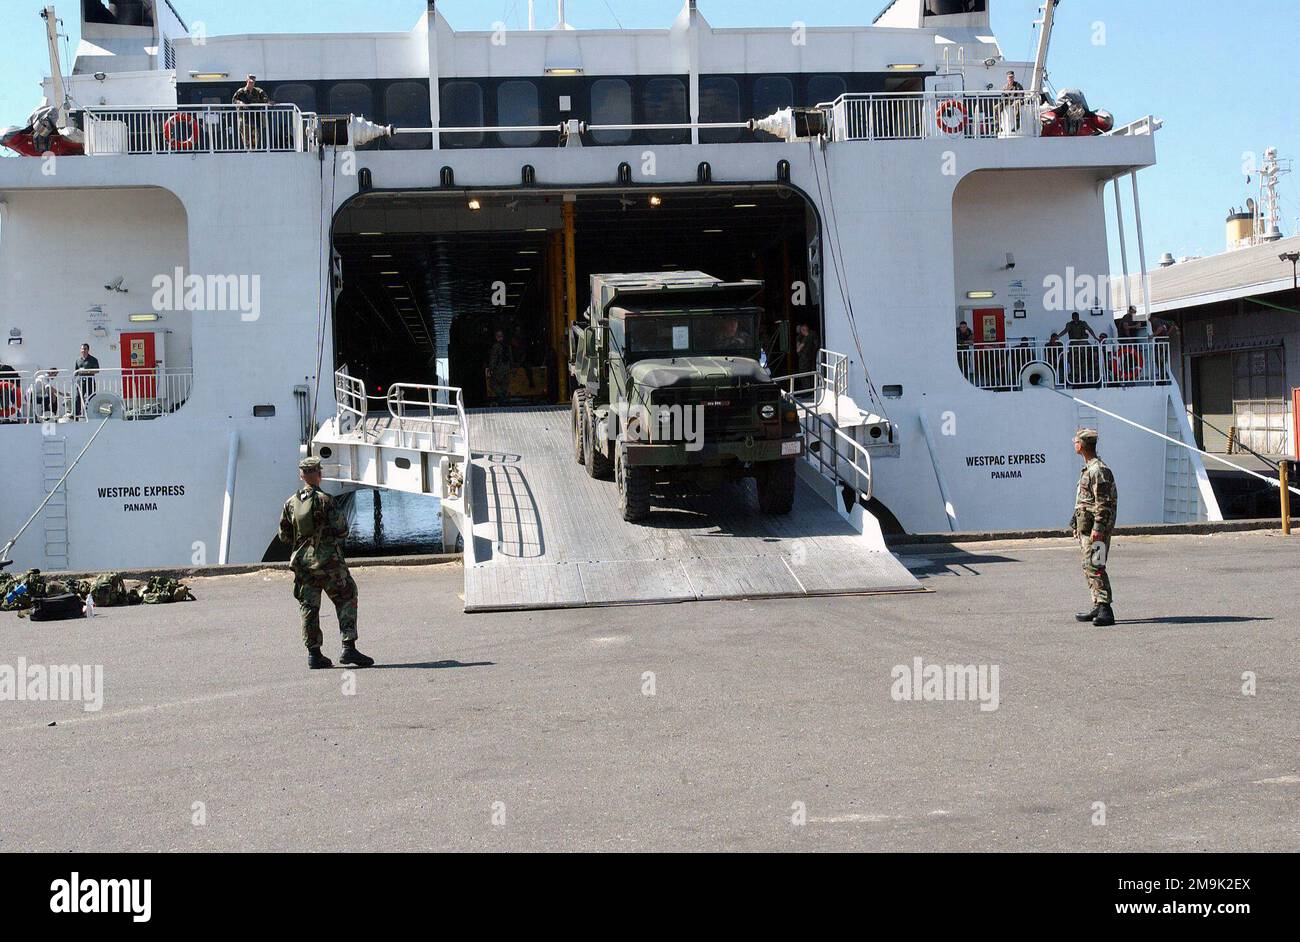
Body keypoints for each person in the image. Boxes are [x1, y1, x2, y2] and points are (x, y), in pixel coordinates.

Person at [278, 456, 373, 670]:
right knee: (346, 596)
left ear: (301, 475)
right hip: (329, 562)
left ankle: (314, 653)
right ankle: (348, 647)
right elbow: (343, 530)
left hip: (303, 563)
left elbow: (284, 536)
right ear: (319, 474)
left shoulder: (290, 503)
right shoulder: (327, 500)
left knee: (309, 606)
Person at [1068, 428, 1118, 627]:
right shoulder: (1089, 468)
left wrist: (1098, 528)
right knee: (1088, 565)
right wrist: (1076, 522)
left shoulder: (1098, 470)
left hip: (1097, 529)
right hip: (1087, 528)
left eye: (1075, 441)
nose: (1074, 444)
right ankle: (1098, 604)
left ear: (1081, 445)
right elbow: (1085, 500)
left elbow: (1104, 502)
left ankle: (1106, 608)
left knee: (1096, 565)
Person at [232, 75, 270, 150]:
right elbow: (234, 100)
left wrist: (268, 101)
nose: (251, 84)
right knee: (245, 135)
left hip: (255, 117)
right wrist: (240, 103)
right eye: (250, 82)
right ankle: (247, 149)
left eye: (253, 82)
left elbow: (265, 98)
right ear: (247, 81)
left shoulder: (258, 91)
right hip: (244, 117)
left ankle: (253, 149)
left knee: (255, 135)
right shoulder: (241, 91)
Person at [485, 328, 513, 405]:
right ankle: (504, 399)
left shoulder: (496, 346)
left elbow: (493, 359)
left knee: (492, 384)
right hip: (507, 369)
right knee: (504, 385)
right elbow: (511, 358)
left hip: (498, 369)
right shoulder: (507, 346)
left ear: (496, 337)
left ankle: (502, 398)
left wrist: (491, 369)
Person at [74, 342, 100, 417]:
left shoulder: (93, 359)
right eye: (82, 349)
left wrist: (87, 371)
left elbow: (97, 370)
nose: (83, 350)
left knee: (91, 397)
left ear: (88, 350)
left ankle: (91, 413)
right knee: (78, 397)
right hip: (80, 382)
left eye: (85, 349)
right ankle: (76, 414)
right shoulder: (78, 360)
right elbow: (76, 371)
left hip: (90, 382)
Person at [794, 321, 819, 389]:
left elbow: (798, 349)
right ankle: (811, 388)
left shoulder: (806, 337)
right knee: (810, 374)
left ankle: (807, 390)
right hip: (811, 358)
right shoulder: (812, 334)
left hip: (805, 359)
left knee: (804, 375)